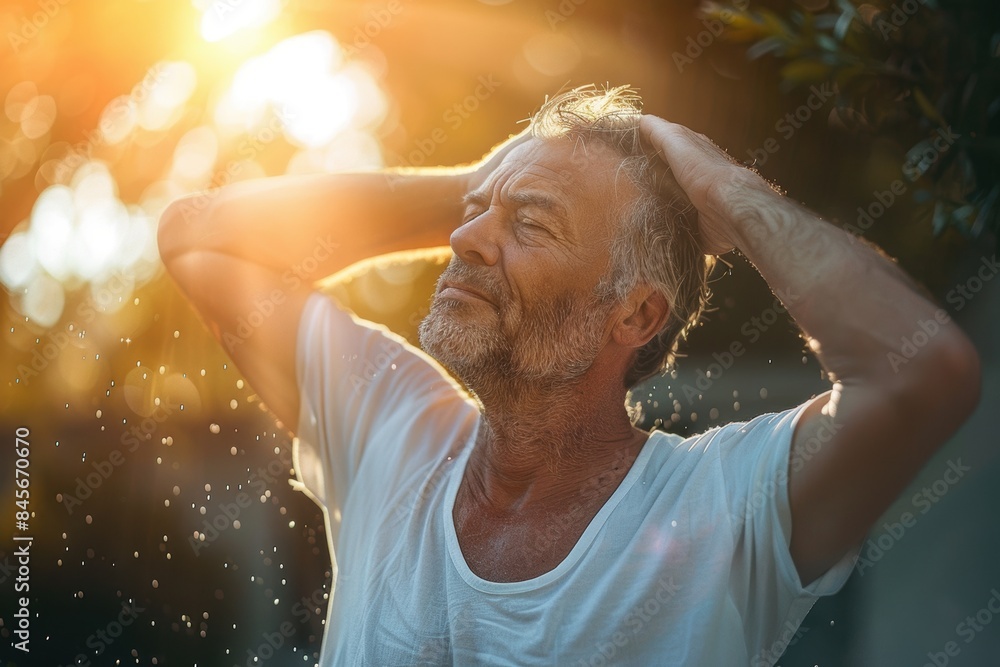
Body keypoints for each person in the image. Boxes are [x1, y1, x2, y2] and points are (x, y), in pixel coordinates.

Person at [157, 85, 981, 665]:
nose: (465, 239)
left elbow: (923, 371)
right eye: (473, 216)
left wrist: (722, 187)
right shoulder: (392, 432)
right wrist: (487, 181)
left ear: (633, 316)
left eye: (531, 225)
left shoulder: (720, 507)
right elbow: (197, 236)